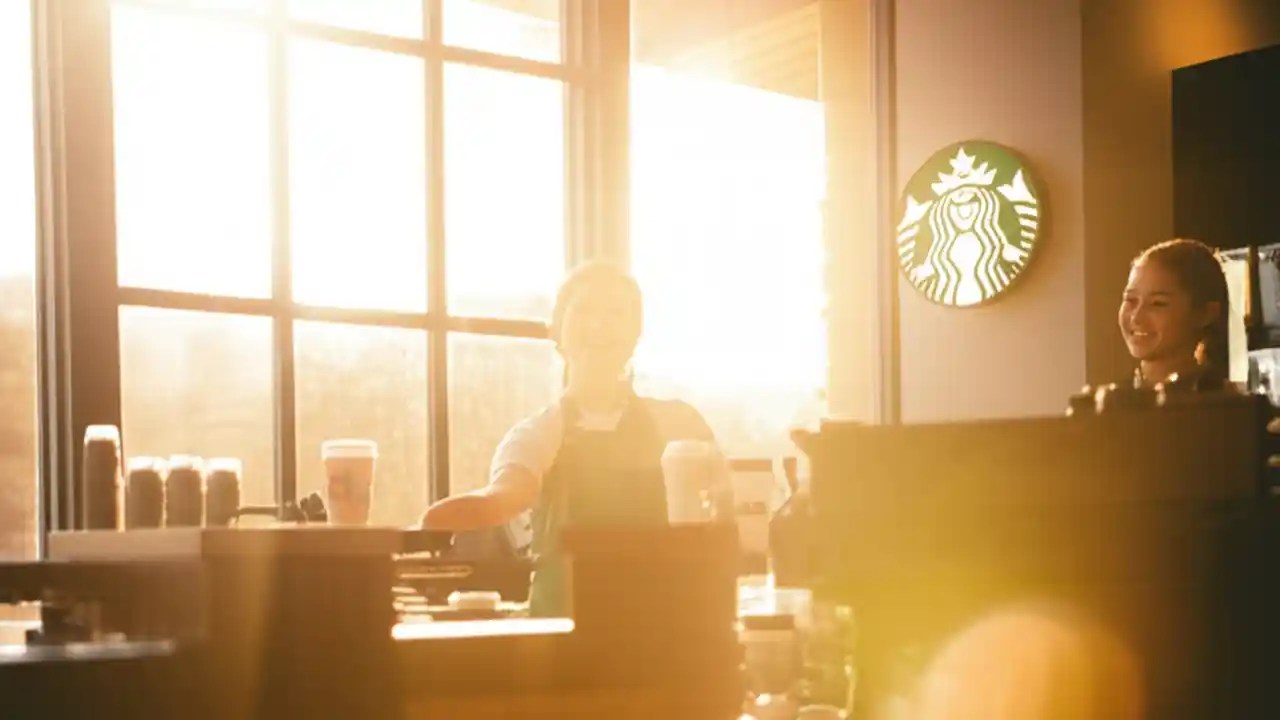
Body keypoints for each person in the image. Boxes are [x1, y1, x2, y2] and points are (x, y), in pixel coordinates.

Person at [420, 260, 731, 616]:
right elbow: (504, 499)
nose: (600, 324)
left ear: (636, 333)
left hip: (668, 629)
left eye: (616, 312)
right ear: (556, 332)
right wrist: (426, 527)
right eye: (584, 310)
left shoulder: (680, 424)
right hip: (563, 636)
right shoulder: (538, 433)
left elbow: (728, 515)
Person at [1118, 238, 1232, 392]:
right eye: (1130, 300)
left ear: (1205, 314)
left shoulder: (1228, 406)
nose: (1136, 317)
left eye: (1157, 303)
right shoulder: (1112, 404)